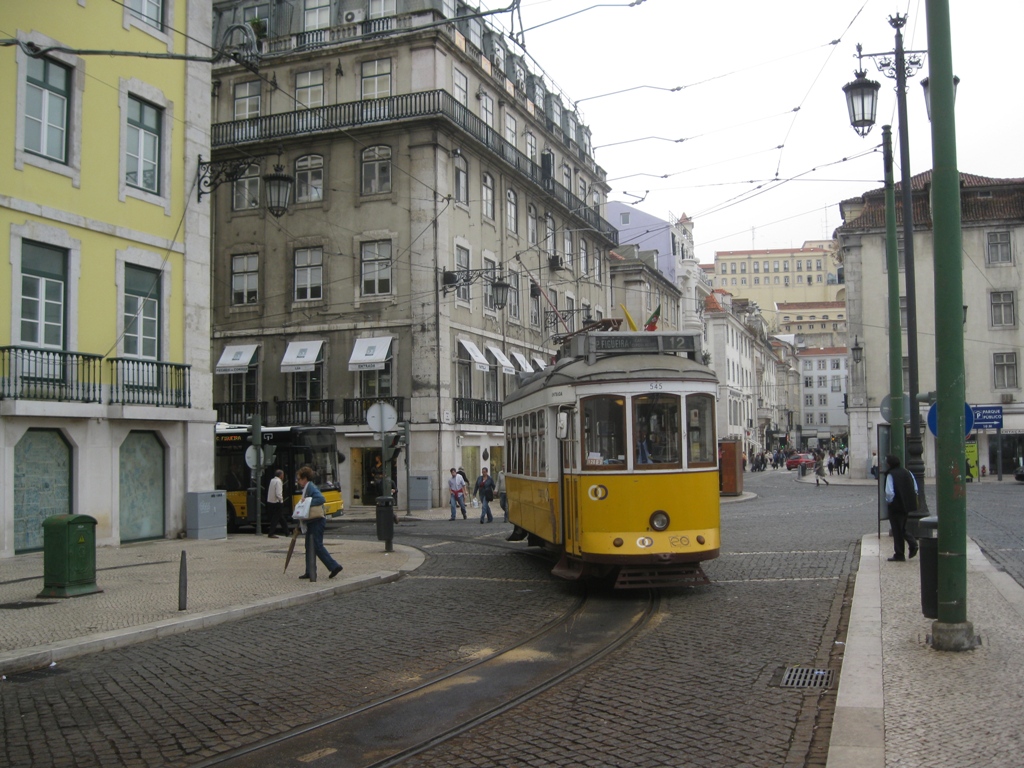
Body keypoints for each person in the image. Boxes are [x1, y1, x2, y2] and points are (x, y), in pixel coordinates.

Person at [295, 466, 343, 580]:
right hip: (312, 521)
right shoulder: (307, 488)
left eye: (299, 479)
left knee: (317, 545)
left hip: (317, 521)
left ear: (305, 478)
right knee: (309, 546)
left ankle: (334, 566)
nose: (298, 481)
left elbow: (321, 499)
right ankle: (309, 571)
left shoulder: (310, 487)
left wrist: (307, 502)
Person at [884, 454, 919, 562]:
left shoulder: (891, 474)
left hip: (896, 506)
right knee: (902, 527)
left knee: (897, 529)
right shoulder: (907, 472)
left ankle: (900, 553)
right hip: (906, 505)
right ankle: (912, 544)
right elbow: (915, 488)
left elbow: (889, 492)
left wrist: (890, 502)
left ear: (889, 464)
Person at [266, 469, 288, 538]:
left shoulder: (272, 480)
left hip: (270, 501)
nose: (283, 476)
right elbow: (278, 493)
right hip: (277, 502)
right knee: (276, 518)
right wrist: (281, 500)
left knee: (281, 517)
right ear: (281, 475)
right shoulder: (279, 481)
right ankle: (271, 533)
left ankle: (287, 532)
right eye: (283, 475)